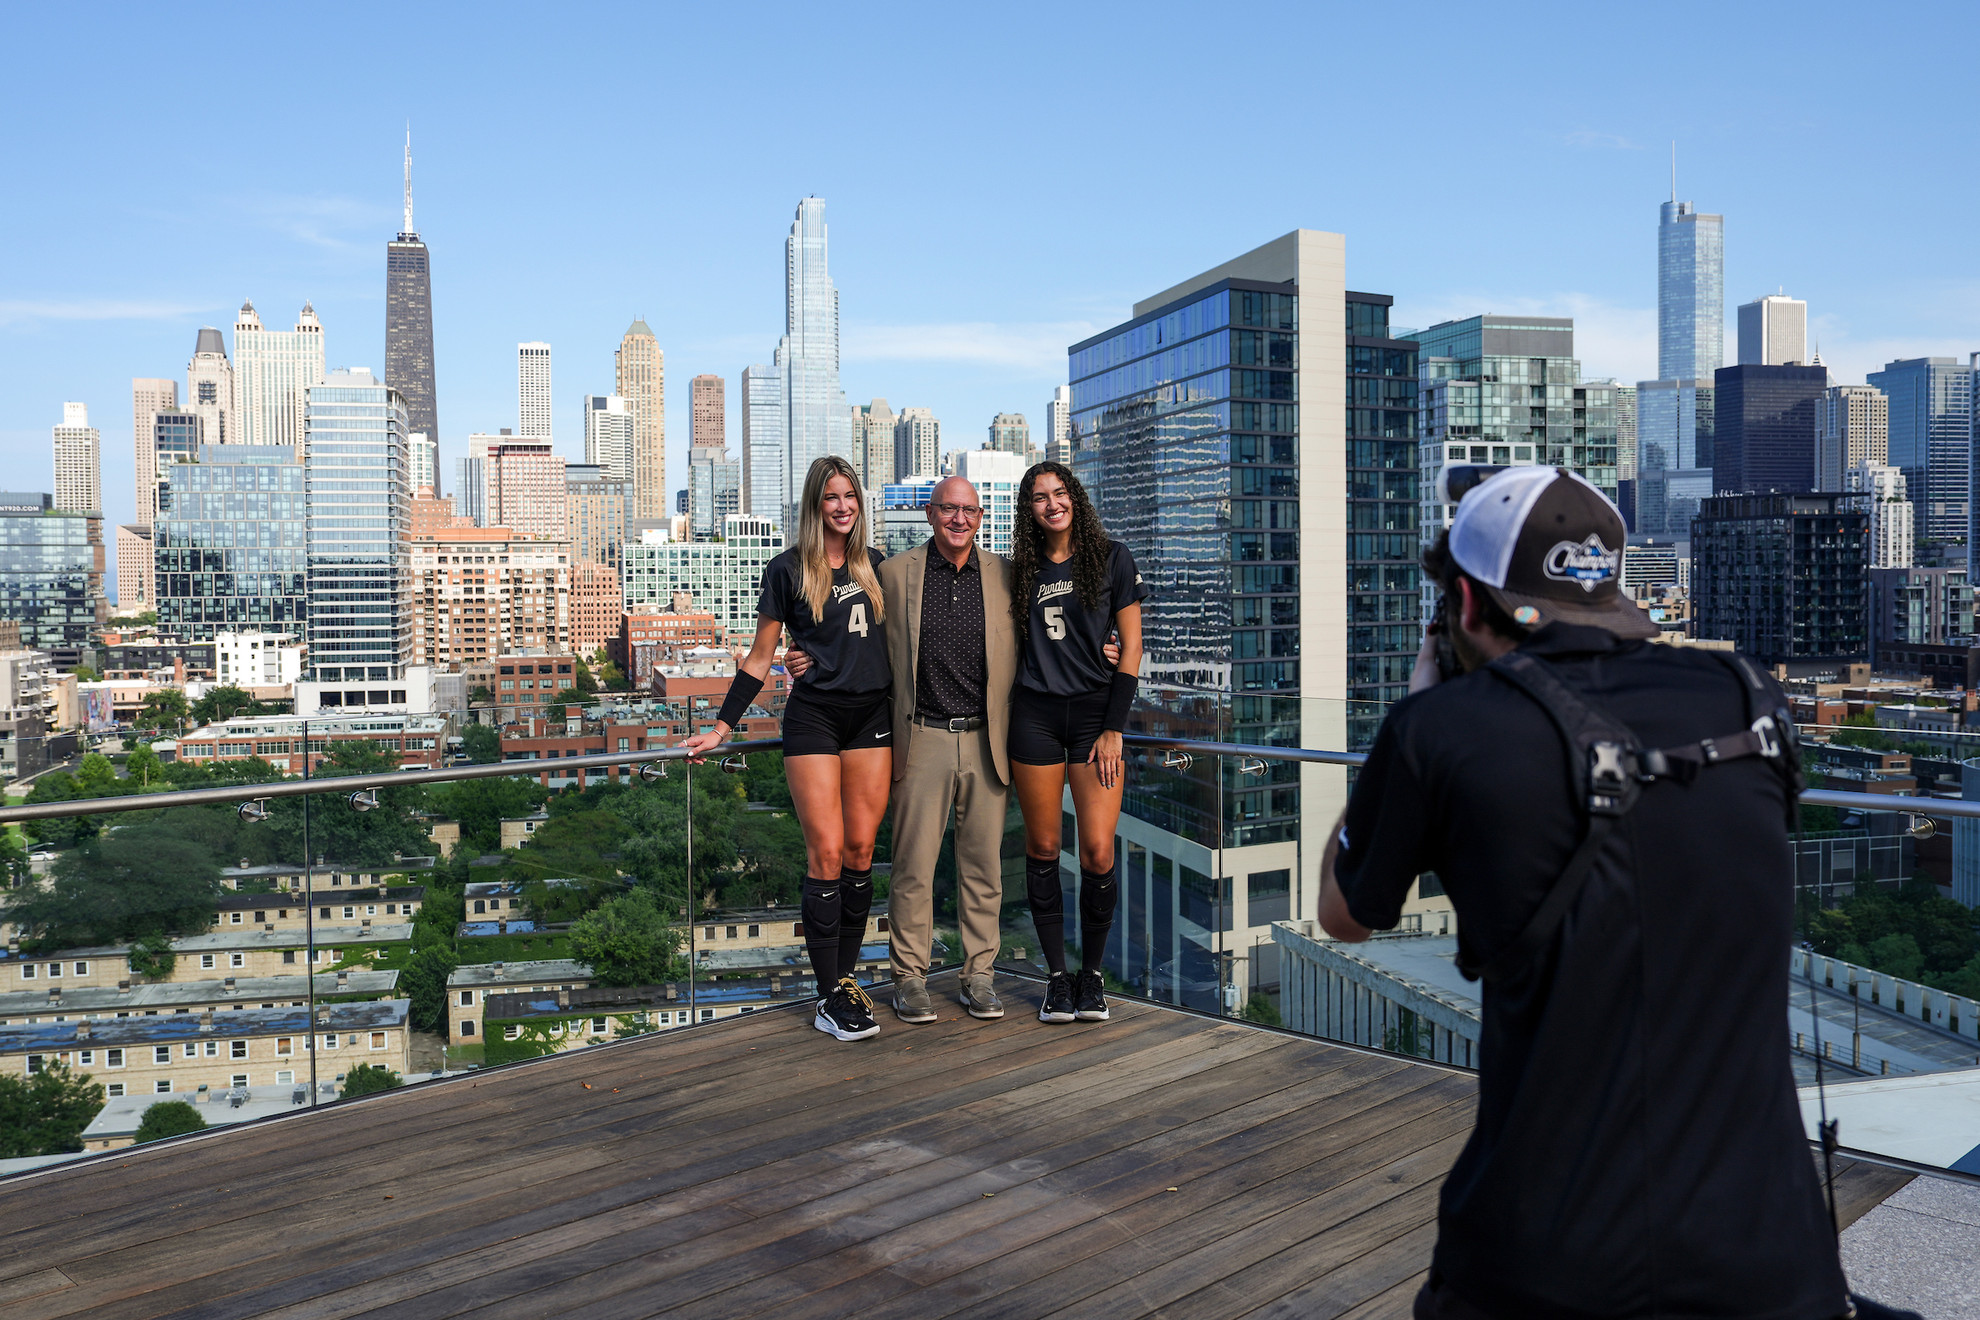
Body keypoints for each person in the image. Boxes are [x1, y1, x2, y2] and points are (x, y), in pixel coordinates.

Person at [1318, 466, 1867, 1319]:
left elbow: (1345, 915)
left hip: (1541, 1258)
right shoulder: (1752, 697)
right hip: (1772, 1252)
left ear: (1465, 603)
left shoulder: (1440, 730)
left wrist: (1410, 727)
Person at [786, 475, 1120, 1025]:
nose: (958, 519)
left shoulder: (1012, 575)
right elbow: (846, 633)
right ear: (929, 513)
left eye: (968, 510)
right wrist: (802, 656)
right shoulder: (891, 574)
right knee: (914, 868)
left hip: (990, 738)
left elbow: (1064, 622)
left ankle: (979, 975)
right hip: (921, 737)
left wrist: (1109, 647)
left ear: (981, 515)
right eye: (947, 509)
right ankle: (910, 979)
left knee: (983, 866)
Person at [680, 455, 889, 1044]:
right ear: (814, 505)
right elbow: (759, 656)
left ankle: (845, 981)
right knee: (825, 854)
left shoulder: (878, 566)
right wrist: (723, 728)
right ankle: (828, 996)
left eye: (850, 495)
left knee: (861, 851)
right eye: (831, 497)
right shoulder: (786, 569)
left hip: (873, 718)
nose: (843, 506)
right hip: (815, 720)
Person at [1007, 462, 1145, 1025]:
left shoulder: (1113, 558)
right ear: (1029, 510)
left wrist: (1114, 727)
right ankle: (1057, 980)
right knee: (1041, 850)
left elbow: (1131, 650)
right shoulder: (1019, 571)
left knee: (1097, 850)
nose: (1051, 503)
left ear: (1075, 498)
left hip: (1094, 718)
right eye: (1039, 497)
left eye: (1059, 493)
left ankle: (1092, 977)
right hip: (1034, 716)